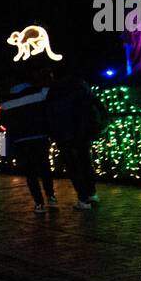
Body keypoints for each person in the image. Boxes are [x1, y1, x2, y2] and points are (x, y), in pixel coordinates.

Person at [0, 74, 56, 213]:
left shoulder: (6, 101)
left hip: (20, 140)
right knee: (45, 167)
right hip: (39, 136)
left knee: (30, 172)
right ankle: (51, 196)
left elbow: (3, 122)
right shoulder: (39, 92)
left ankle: (38, 203)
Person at [45, 72, 103, 209]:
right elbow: (94, 104)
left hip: (63, 134)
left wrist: (53, 132)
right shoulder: (80, 86)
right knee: (85, 162)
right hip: (82, 132)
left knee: (73, 166)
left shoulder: (54, 91)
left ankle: (83, 198)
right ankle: (92, 194)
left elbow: (49, 114)